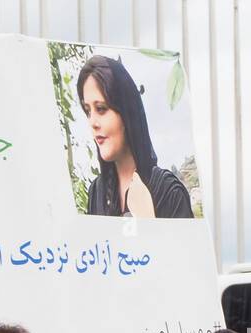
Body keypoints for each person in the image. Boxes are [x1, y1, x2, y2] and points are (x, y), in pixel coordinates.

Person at [76, 54, 194, 220]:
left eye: (101, 109)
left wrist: (146, 218)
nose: (92, 122)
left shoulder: (169, 192)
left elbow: (186, 246)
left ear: (126, 113)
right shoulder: (97, 193)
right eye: (88, 111)